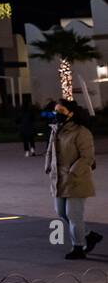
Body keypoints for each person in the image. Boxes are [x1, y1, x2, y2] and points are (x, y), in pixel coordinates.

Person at [43, 99, 100, 259]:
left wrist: (72, 172)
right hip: (58, 179)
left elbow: (87, 157)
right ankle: (89, 235)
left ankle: (78, 247)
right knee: (61, 212)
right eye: (56, 111)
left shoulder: (82, 132)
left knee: (74, 215)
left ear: (71, 113)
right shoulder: (55, 130)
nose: (57, 114)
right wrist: (48, 165)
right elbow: (50, 150)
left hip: (77, 180)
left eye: (61, 111)